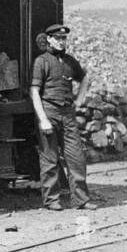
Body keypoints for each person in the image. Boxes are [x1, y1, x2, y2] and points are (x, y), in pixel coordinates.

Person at [29, 23, 96, 211]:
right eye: (57, 38)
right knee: (49, 159)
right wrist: (43, 120)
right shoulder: (41, 61)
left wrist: (79, 100)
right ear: (49, 39)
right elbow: (34, 92)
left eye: (64, 38)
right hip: (49, 112)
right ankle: (51, 201)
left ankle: (81, 200)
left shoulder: (69, 61)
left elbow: (84, 78)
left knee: (76, 157)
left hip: (68, 114)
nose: (61, 42)